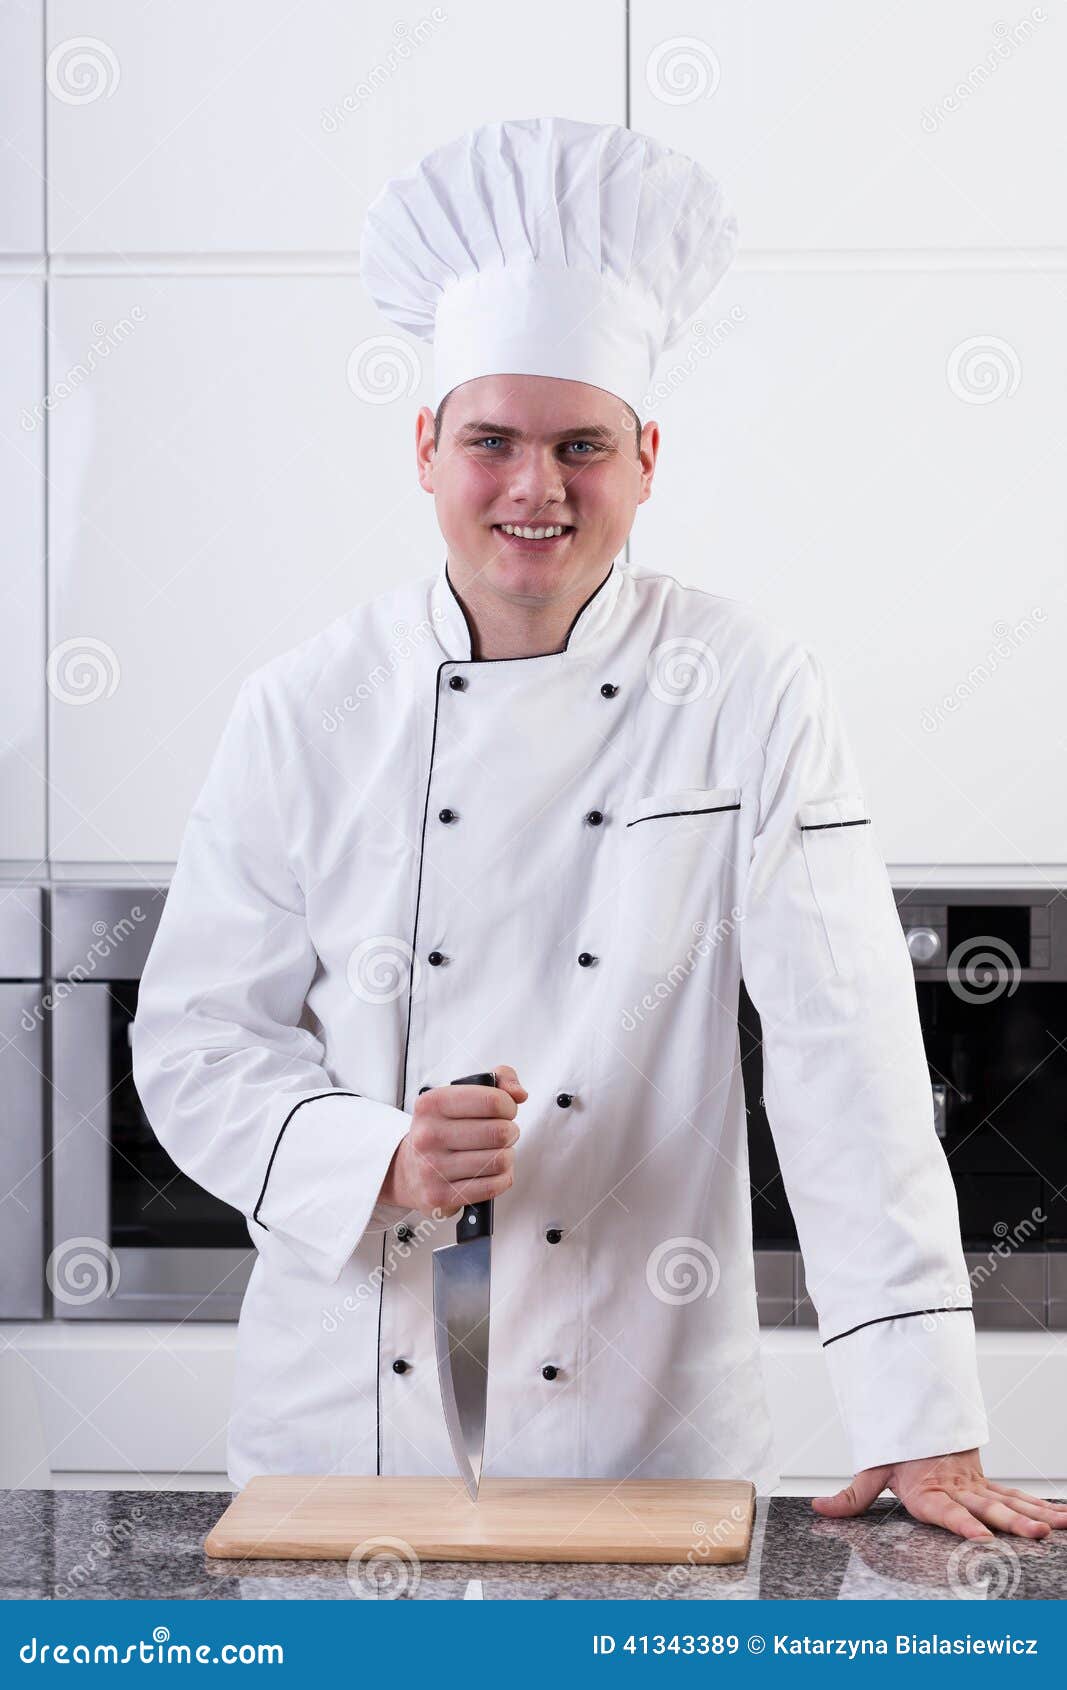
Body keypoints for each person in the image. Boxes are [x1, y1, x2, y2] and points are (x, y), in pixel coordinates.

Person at [132, 116, 1066, 1543]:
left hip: (643, 1411)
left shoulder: (745, 687)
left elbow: (846, 1043)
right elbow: (196, 1041)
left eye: (580, 445)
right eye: (493, 440)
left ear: (644, 457)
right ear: (427, 447)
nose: (535, 488)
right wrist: (372, 1153)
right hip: (343, 1423)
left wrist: (922, 1415)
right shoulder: (302, 708)